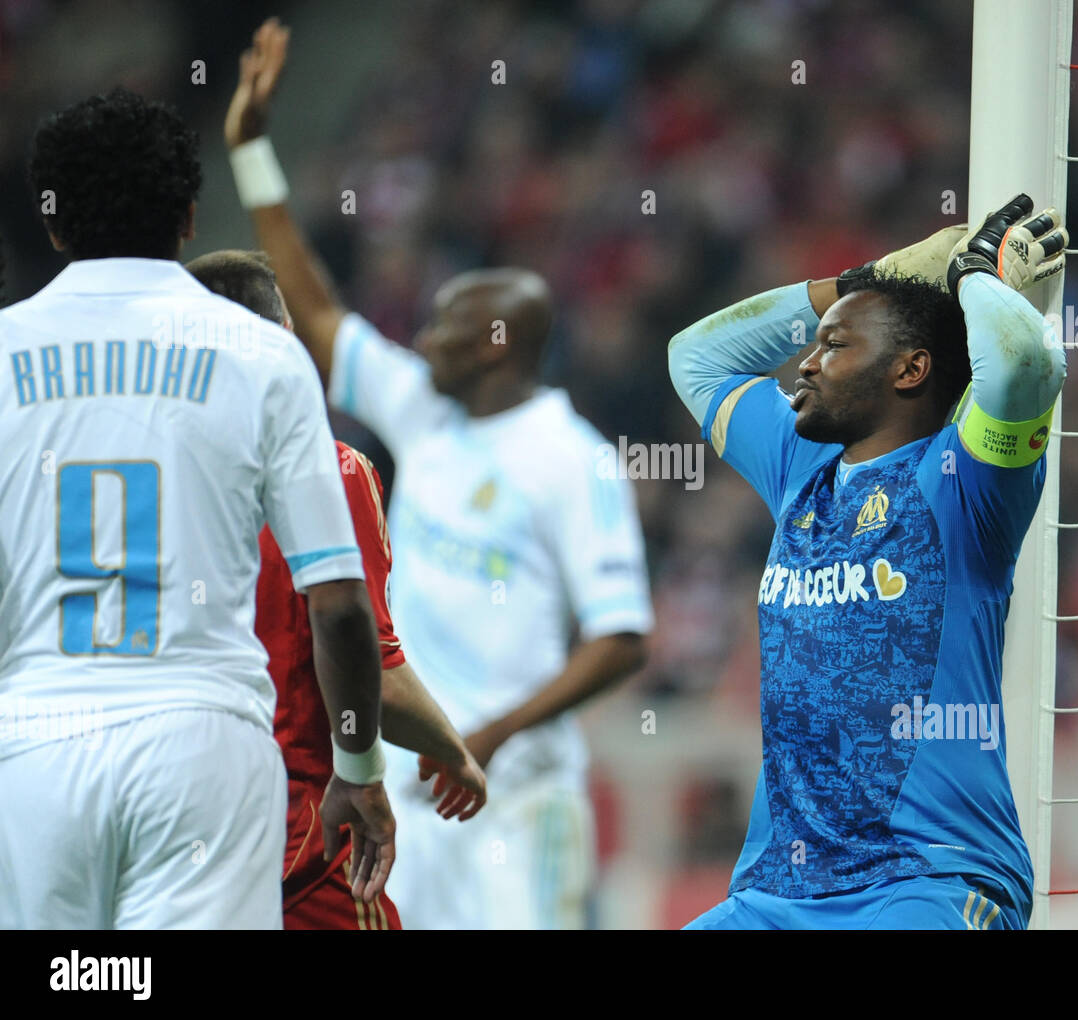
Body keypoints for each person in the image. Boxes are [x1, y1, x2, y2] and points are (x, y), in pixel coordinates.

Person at [223, 19, 655, 929]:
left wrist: (489, 733)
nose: (421, 342)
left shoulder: (572, 461)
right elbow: (317, 311)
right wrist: (255, 154)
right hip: (411, 784)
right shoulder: (426, 409)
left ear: (500, 348)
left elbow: (622, 638)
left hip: (513, 793)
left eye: (447, 328)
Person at [0, 89, 396, 929]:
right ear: (188, 217)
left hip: (32, 744)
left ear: (55, 224)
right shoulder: (264, 358)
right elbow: (340, 604)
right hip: (203, 745)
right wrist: (357, 767)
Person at [668, 195, 1069, 929]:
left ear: (910, 369)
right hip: (779, 888)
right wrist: (863, 280)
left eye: (834, 345)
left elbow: (1026, 361)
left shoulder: (966, 481)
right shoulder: (798, 462)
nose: (806, 363)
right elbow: (694, 356)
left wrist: (974, 277)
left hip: (930, 878)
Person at [187, 248, 488, 930]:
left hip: (162, 809)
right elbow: (364, 654)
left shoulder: (154, 473)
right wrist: (452, 748)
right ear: (284, 346)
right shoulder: (328, 470)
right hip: (295, 828)